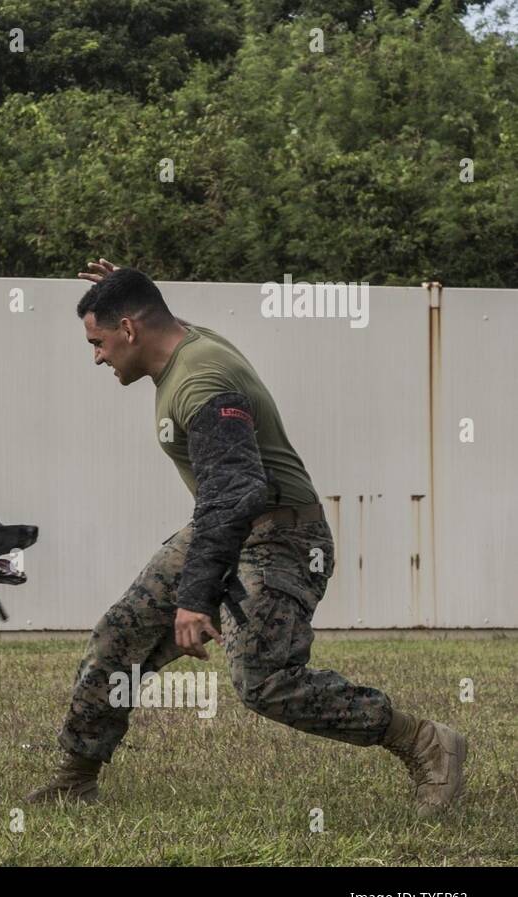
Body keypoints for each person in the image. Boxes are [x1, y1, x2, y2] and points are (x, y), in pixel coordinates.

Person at [28, 260, 466, 817]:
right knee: (121, 632)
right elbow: (226, 501)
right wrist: (126, 283)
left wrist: (193, 598)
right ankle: (75, 777)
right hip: (226, 525)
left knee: (265, 683)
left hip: (281, 536)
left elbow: (237, 490)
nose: (97, 355)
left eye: (99, 341)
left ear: (129, 329)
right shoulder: (179, 340)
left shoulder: (201, 381)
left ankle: (424, 740)